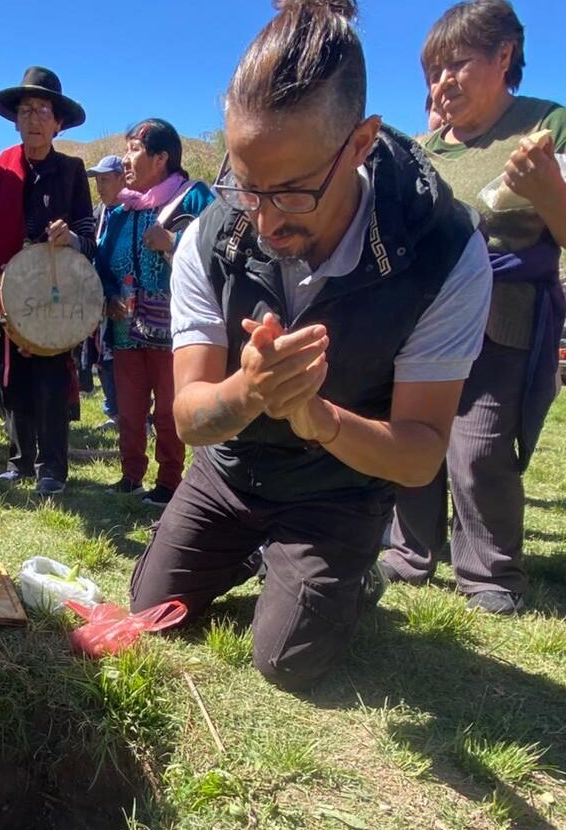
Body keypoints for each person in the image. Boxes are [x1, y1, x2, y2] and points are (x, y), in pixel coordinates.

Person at [128, 0, 493, 692]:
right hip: (231, 472)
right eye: (247, 186)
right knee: (151, 613)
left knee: (288, 662)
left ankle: (349, 572)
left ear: (359, 145)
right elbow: (189, 417)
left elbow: (420, 455)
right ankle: (261, 555)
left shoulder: (444, 250)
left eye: (293, 192)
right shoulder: (209, 237)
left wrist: (318, 418)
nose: (265, 220)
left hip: (341, 488)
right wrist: (249, 391)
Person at [379, 0, 566, 615]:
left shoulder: (548, 126)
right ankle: (409, 551)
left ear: (503, 55)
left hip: (501, 314)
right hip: (421, 318)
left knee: (479, 446)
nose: (442, 83)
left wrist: (549, 191)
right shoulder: (422, 149)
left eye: (456, 65)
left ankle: (490, 572)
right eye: (433, 73)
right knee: (415, 433)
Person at [0, 67, 95, 496]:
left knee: (51, 378)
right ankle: (20, 461)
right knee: (13, 375)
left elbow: (88, 237)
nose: (34, 119)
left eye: (43, 110)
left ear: (58, 123)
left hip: (56, 292)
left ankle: (52, 468)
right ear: (16, 121)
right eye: (25, 110)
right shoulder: (1, 173)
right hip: (9, 289)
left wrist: (69, 238)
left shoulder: (72, 171)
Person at [96, 120, 213, 506]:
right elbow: (102, 264)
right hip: (125, 328)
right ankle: (131, 475)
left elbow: (219, 250)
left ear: (161, 158)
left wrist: (174, 243)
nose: (125, 159)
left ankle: (169, 481)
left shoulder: (194, 199)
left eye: (134, 150)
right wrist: (109, 294)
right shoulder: (121, 211)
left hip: (175, 331)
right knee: (129, 410)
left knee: (167, 409)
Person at [83, 154, 125, 429]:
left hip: (125, 299)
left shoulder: (133, 212)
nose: (100, 187)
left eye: (106, 180)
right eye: (97, 181)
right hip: (97, 298)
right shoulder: (98, 214)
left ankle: (137, 415)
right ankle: (114, 412)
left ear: (122, 179)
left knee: (123, 359)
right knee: (102, 357)